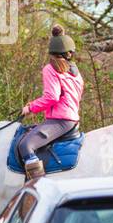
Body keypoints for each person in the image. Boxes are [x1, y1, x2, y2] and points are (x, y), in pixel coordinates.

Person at [18, 25, 84, 182]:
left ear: (52, 52)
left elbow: (52, 97)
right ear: (70, 52)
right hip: (71, 119)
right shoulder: (75, 71)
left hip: (61, 121)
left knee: (25, 146)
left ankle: (38, 187)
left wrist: (30, 108)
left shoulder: (50, 69)